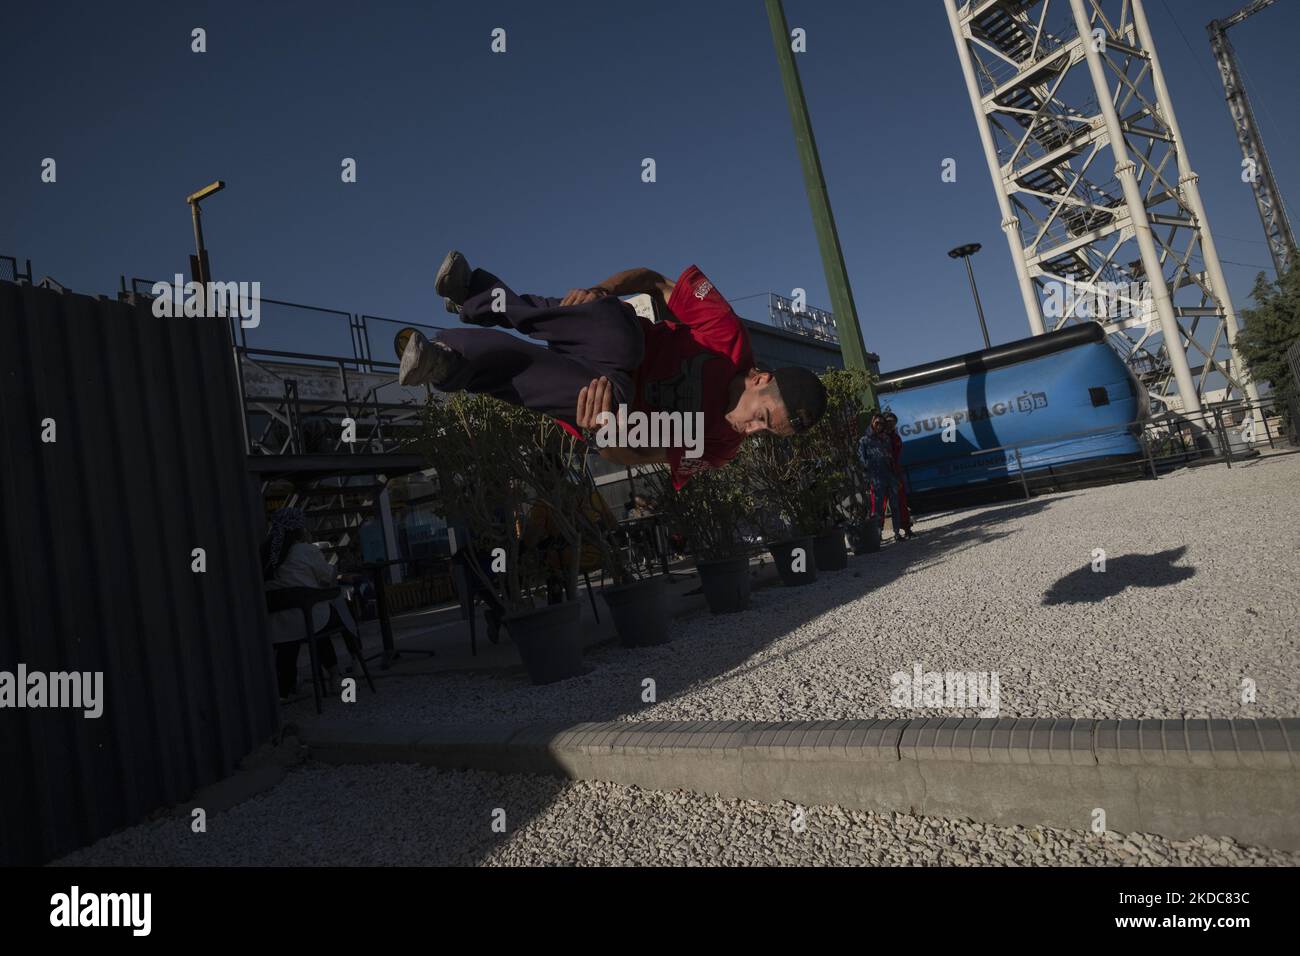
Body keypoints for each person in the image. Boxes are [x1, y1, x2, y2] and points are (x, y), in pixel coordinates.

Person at [395, 251, 828, 488]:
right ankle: (474, 293)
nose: (753, 431)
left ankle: (446, 360)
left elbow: (637, 454)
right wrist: (602, 290)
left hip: (598, 400)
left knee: (591, 392)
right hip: (606, 341)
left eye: (767, 433)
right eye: (763, 418)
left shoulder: (716, 445)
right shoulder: (727, 338)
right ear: (759, 379)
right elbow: (654, 279)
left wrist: (601, 435)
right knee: (619, 326)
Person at [262, 507, 361, 700]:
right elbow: (327, 577)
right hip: (311, 618)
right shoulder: (306, 550)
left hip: (277, 624)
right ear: (299, 528)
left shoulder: (264, 554)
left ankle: (285, 687)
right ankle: (342, 669)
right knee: (335, 613)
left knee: (295, 632)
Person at [857, 413, 906, 544]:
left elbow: (892, 457)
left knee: (895, 505)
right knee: (878, 508)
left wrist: (895, 476)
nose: (879, 426)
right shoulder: (864, 441)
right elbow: (861, 460)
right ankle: (878, 534)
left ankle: (896, 532)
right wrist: (869, 474)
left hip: (890, 476)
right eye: (877, 423)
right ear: (872, 423)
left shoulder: (886, 439)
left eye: (881, 424)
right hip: (876, 478)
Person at [881, 411, 915, 539]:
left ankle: (906, 527)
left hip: (894, 472)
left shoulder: (895, 438)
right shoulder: (878, 438)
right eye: (888, 422)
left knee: (900, 501)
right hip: (882, 473)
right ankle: (878, 531)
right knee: (880, 503)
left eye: (893, 423)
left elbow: (897, 453)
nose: (891, 425)